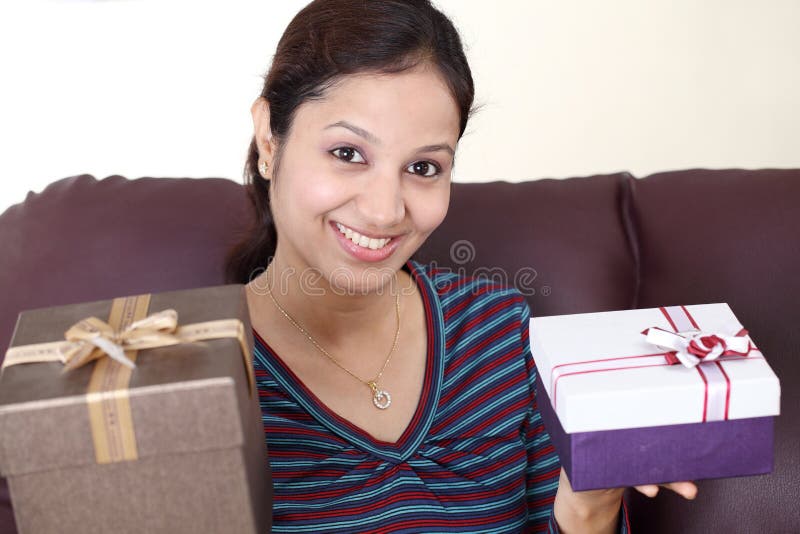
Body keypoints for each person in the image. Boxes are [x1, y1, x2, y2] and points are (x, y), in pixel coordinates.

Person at [226, 1, 697, 531]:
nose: (385, 210)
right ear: (269, 137)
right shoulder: (207, 383)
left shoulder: (500, 333)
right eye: (347, 153)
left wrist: (590, 507)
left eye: (423, 167)